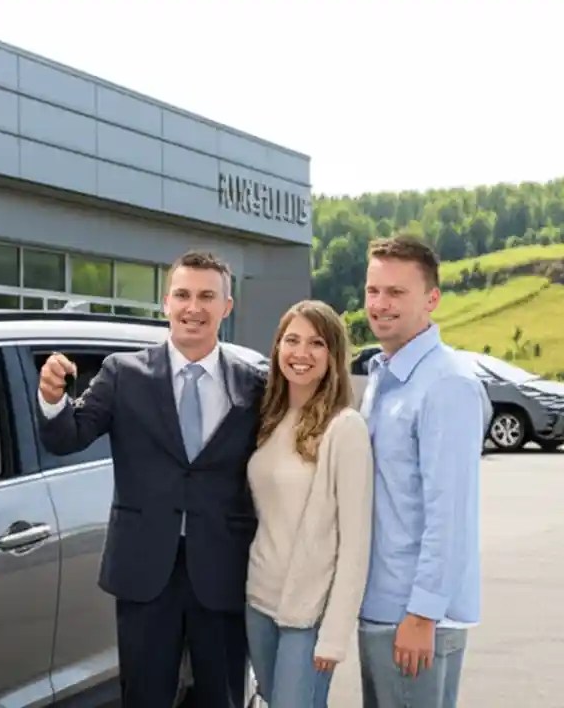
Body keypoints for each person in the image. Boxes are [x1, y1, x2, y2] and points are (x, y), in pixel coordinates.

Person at [37, 249, 265, 708]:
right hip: (144, 568)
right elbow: (68, 437)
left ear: (227, 306)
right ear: (165, 303)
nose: (193, 307)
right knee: (145, 696)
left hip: (223, 567)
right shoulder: (124, 374)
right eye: (182, 295)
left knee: (222, 697)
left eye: (206, 296)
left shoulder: (255, 384)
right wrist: (52, 398)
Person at [356, 234, 486, 708]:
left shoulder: (446, 384)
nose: (380, 304)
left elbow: (448, 513)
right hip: (381, 608)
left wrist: (422, 614)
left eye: (396, 292)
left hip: (412, 619)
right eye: (373, 291)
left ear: (432, 299)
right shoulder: (384, 376)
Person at [244, 299, 374, 707]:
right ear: (278, 347)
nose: (301, 353)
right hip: (258, 602)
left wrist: (335, 635)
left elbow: (356, 542)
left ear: (333, 355)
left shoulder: (345, 428)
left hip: (308, 615)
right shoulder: (269, 418)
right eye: (292, 340)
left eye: (316, 343)